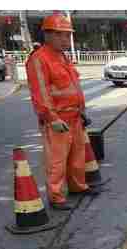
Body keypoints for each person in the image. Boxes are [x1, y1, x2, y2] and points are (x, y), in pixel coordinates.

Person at [26, 14, 99, 211]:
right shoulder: (39, 59)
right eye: (61, 35)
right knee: (57, 161)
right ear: (48, 35)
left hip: (74, 116)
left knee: (77, 156)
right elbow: (41, 93)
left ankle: (78, 186)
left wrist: (81, 111)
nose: (66, 40)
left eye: (68, 35)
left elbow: (72, 86)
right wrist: (52, 118)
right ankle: (56, 196)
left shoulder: (62, 57)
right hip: (57, 119)